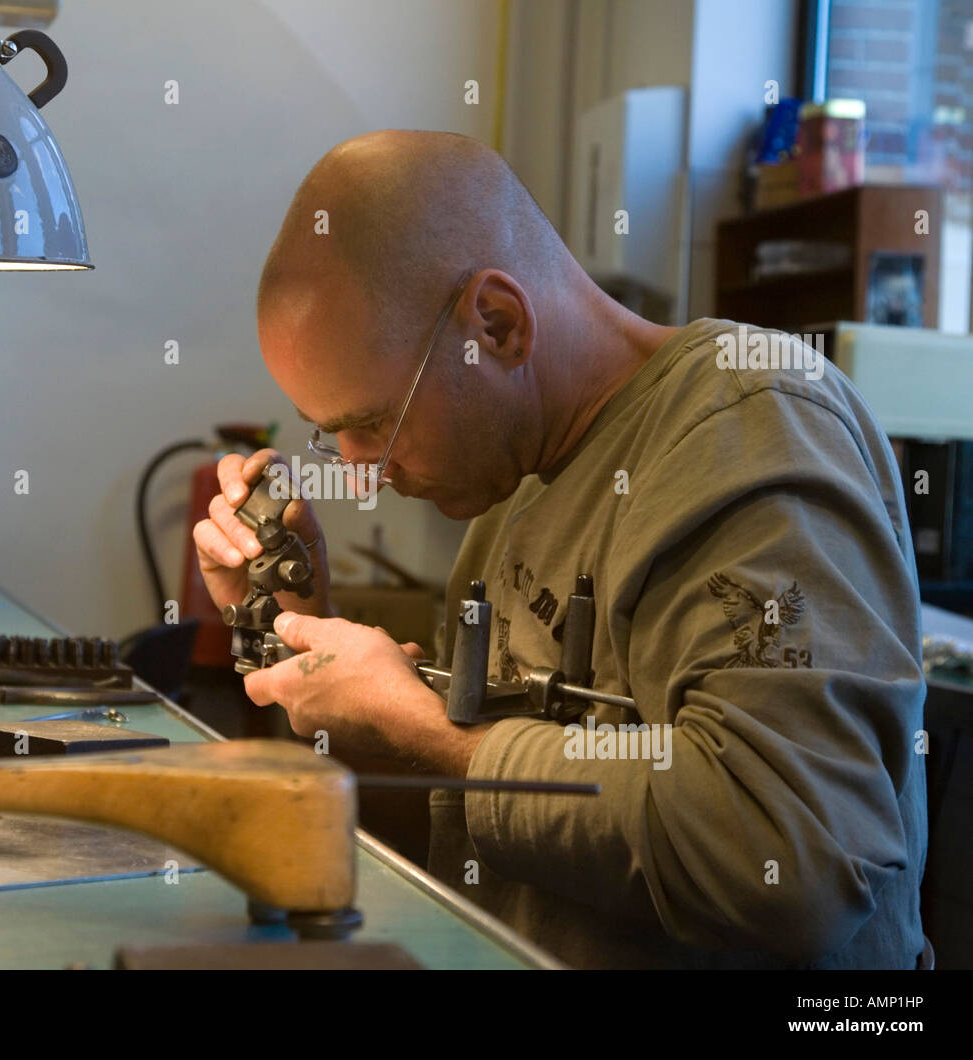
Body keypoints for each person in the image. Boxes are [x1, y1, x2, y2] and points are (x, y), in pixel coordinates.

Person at [192, 130, 927, 969]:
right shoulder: (512, 500)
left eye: (373, 424)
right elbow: (469, 831)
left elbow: (796, 863)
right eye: (335, 440)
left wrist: (429, 728)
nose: (360, 477)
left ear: (497, 324)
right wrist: (307, 636)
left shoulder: (755, 427)